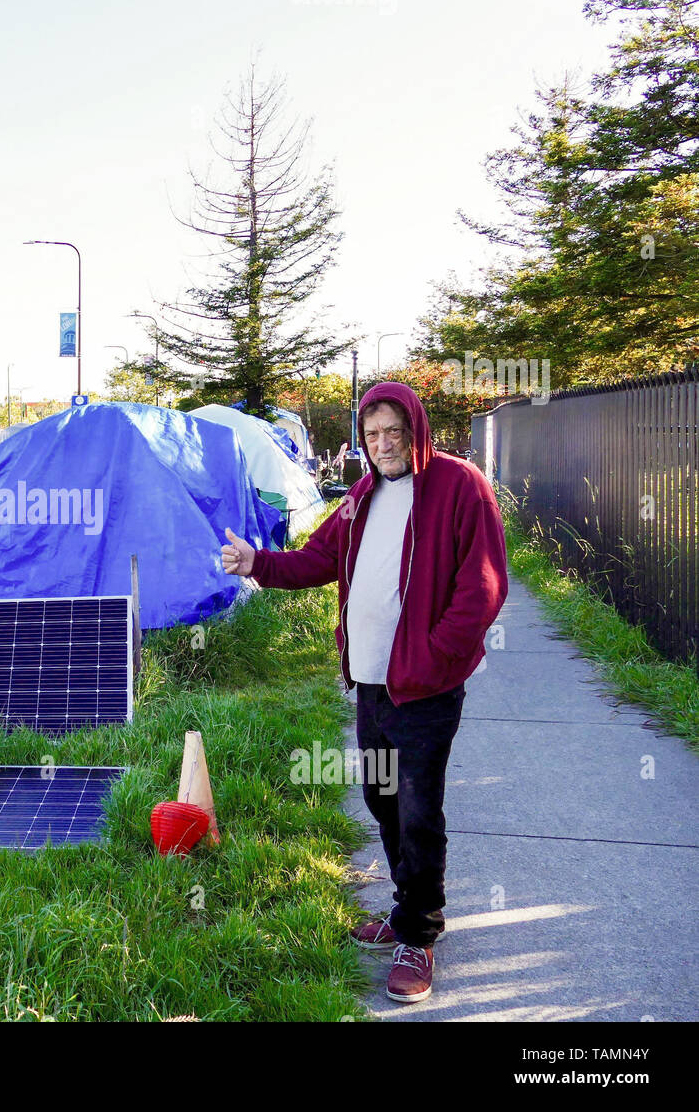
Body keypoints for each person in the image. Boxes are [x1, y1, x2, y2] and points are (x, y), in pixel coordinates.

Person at [220, 382, 507, 1004]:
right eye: (371, 435)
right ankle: (407, 911)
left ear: (415, 431)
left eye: (392, 434)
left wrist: (436, 656)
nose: (382, 446)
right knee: (381, 799)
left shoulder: (460, 487)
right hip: (371, 681)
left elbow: (482, 587)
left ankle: (419, 936)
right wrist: (257, 564)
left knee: (417, 806)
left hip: (426, 687)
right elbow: (318, 559)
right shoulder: (361, 495)